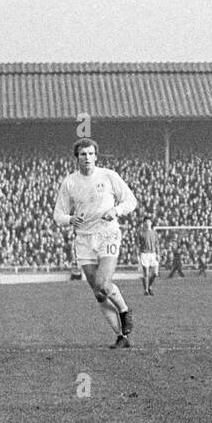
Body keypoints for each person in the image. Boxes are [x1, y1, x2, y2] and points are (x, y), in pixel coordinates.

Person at [53, 138, 138, 348]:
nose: (87, 158)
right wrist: (69, 219)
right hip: (83, 239)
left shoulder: (109, 176)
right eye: (83, 154)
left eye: (91, 154)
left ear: (96, 156)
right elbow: (58, 214)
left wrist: (115, 211)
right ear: (77, 158)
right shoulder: (70, 182)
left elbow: (131, 201)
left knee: (103, 284)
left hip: (107, 234)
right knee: (99, 294)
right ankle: (121, 336)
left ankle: (125, 312)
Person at [135, 214, 159, 295]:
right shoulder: (141, 233)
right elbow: (138, 245)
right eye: (145, 221)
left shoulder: (154, 232)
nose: (147, 223)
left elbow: (157, 244)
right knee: (146, 273)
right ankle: (146, 290)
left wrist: (158, 254)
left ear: (151, 223)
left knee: (155, 273)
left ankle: (149, 286)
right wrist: (137, 255)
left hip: (153, 254)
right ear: (144, 223)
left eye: (148, 221)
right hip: (144, 254)